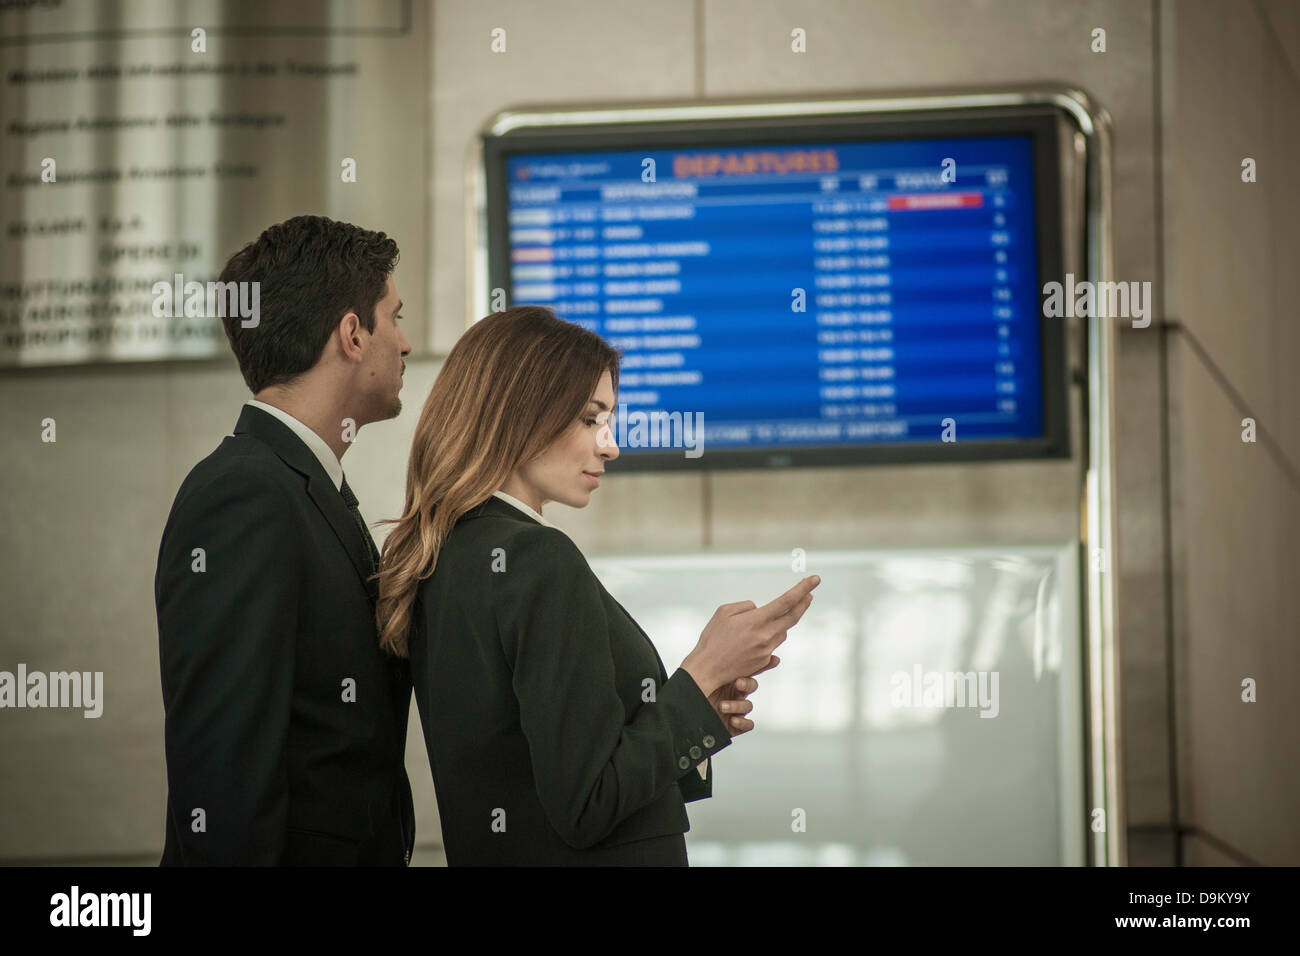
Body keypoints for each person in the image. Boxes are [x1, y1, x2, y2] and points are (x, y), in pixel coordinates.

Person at [375, 306, 819, 865]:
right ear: (519, 414)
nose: (610, 447)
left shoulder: (447, 556)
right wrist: (703, 670)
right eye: (590, 419)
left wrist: (694, 708)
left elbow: (531, 773)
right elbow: (588, 804)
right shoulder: (536, 557)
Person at [154, 215, 416, 865]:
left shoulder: (302, 486)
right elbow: (223, 773)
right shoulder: (244, 496)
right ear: (352, 334)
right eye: (396, 317)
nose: (407, 343)